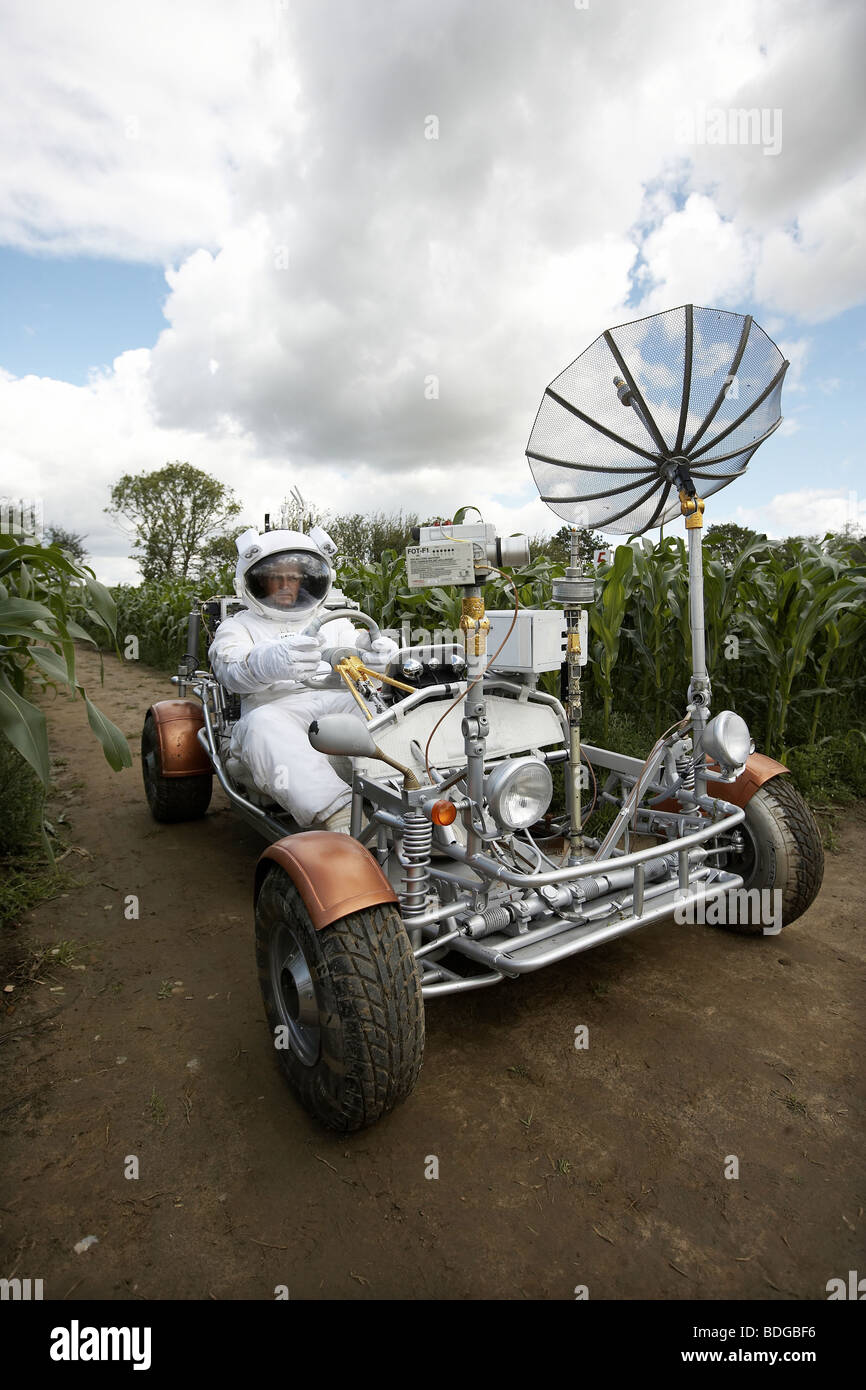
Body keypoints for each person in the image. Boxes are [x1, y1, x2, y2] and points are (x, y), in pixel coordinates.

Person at [208, 526, 398, 832]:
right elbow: (230, 670)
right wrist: (269, 661)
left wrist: (374, 656)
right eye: (275, 577)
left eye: (294, 577)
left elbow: (357, 652)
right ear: (254, 582)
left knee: (382, 713)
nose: (286, 584)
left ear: (308, 581)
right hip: (275, 710)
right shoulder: (238, 627)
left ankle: (406, 797)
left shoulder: (332, 621)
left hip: (339, 705)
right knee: (262, 726)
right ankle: (340, 815)